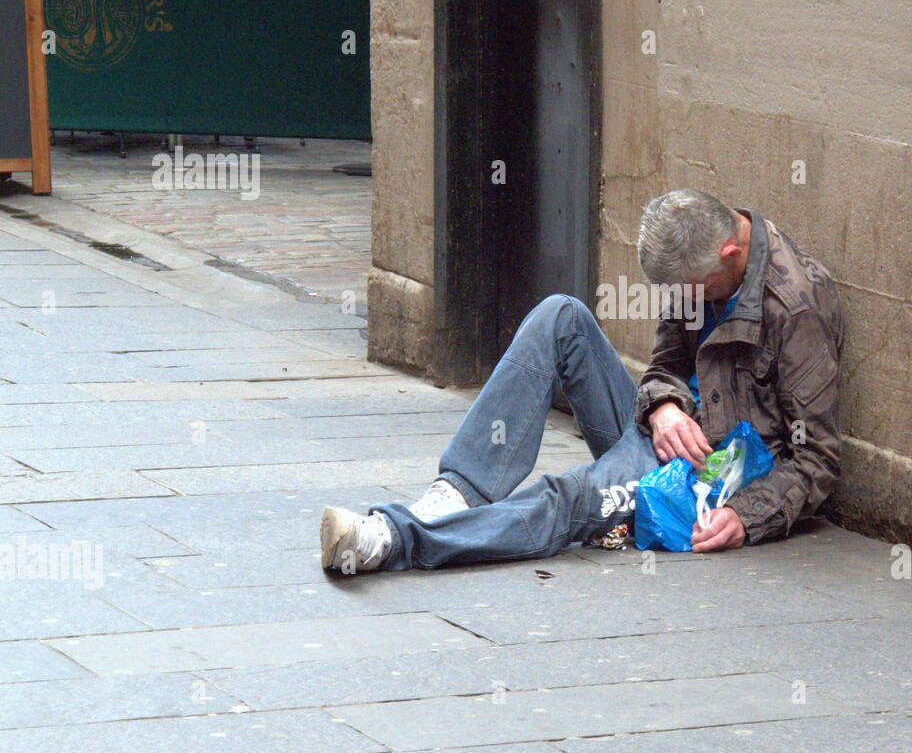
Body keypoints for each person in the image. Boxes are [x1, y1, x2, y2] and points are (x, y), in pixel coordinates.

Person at [319, 188, 845, 574]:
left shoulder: (796, 311)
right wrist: (662, 406)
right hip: (667, 432)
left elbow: (817, 458)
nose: (685, 301)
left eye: (694, 290)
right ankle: (457, 493)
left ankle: (390, 539)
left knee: (568, 498)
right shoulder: (701, 262)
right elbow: (663, 369)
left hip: (711, 474)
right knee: (560, 314)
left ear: (729, 254)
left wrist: (746, 516)